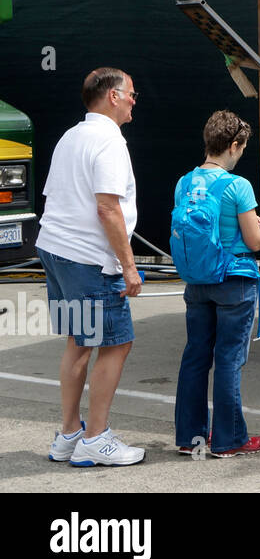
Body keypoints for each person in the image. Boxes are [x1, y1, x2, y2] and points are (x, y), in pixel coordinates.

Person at [37, 67, 144, 467]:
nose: (134, 101)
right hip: (87, 258)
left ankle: (69, 434)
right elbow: (107, 208)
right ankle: (96, 437)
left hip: (55, 249)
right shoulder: (110, 141)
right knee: (116, 343)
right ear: (113, 96)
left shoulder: (71, 136)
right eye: (131, 94)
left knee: (79, 341)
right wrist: (128, 267)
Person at [173, 111, 260, 458]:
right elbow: (255, 241)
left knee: (195, 357)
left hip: (197, 280)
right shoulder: (238, 186)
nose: (242, 153)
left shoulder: (184, 183)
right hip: (234, 281)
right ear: (233, 145)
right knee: (229, 360)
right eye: (242, 147)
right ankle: (229, 440)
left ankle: (190, 438)